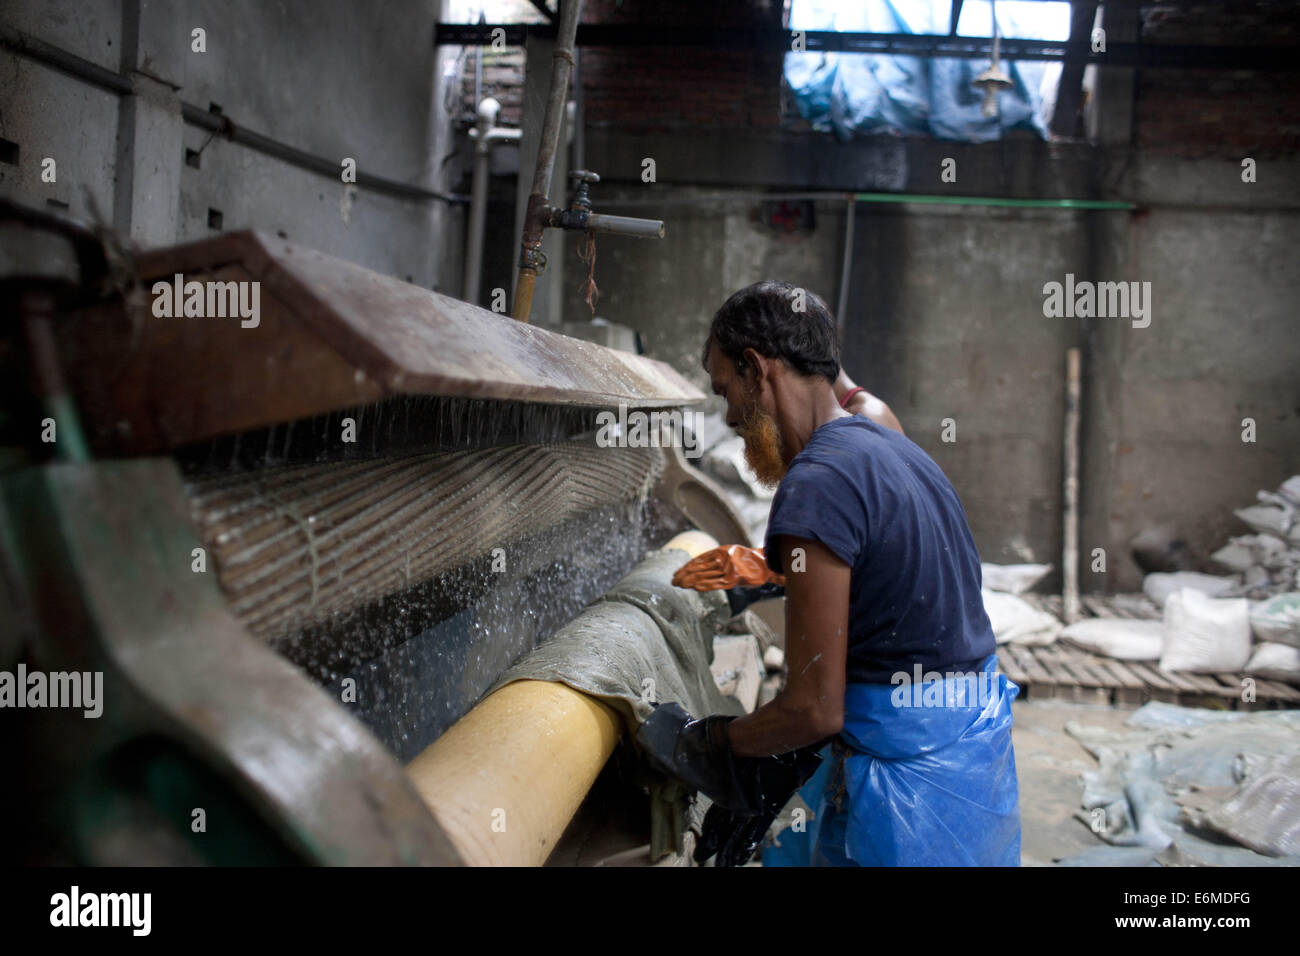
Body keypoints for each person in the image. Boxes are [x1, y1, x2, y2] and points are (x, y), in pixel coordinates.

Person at [637, 280, 1020, 867]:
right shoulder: (891, 446)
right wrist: (772, 571)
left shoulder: (816, 482)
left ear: (757, 368)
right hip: (962, 757)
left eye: (726, 391)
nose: (732, 417)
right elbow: (889, 585)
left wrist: (709, 744)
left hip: (913, 794)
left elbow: (815, 709)